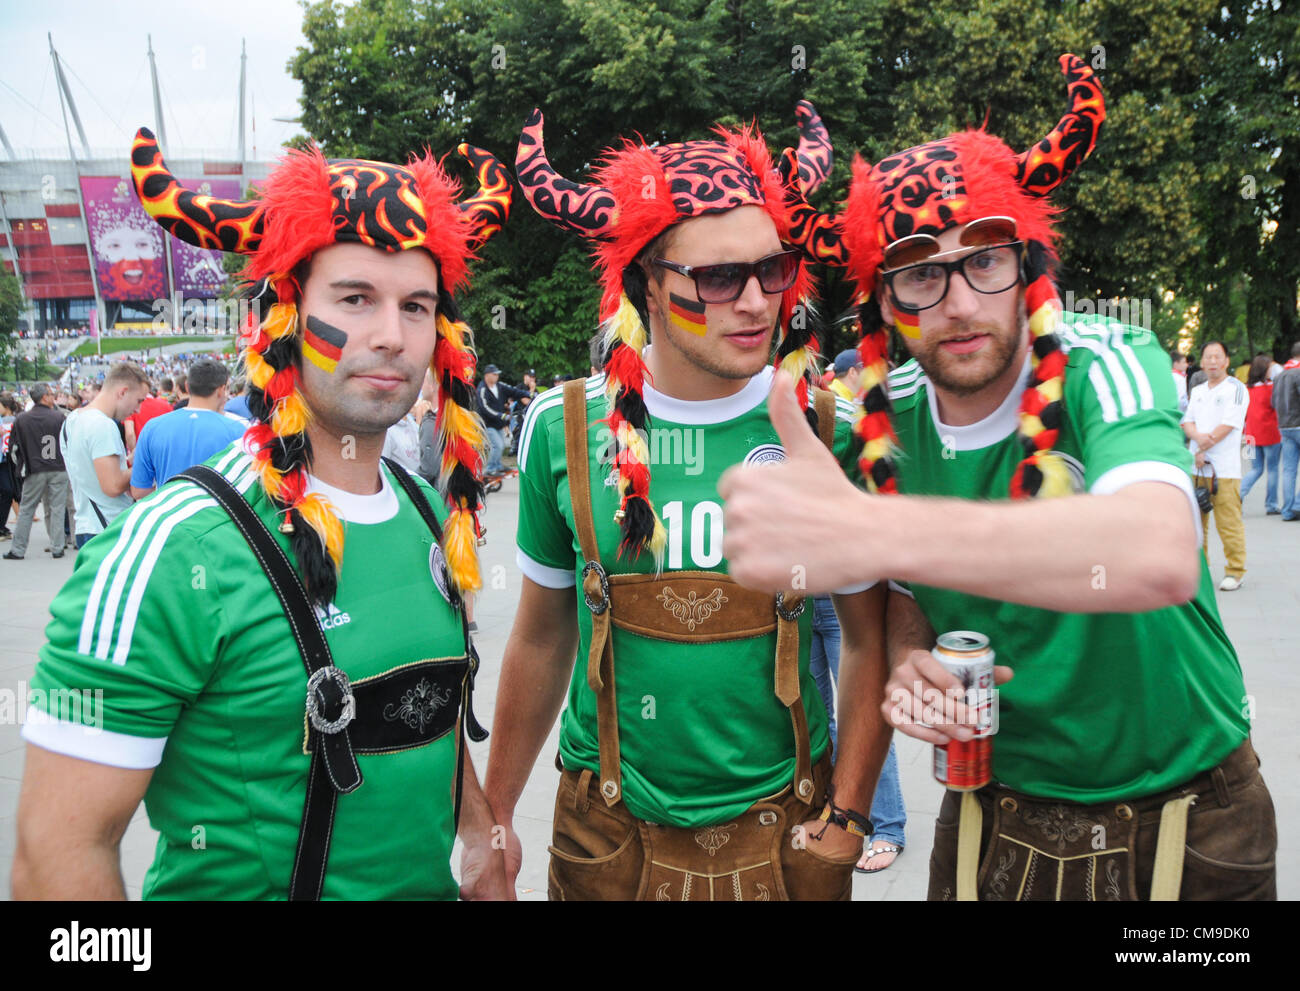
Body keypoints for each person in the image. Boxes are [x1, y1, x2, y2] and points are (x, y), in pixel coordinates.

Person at [721, 54, 1275, 900]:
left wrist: (872, 530)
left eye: (985, 258)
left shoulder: (1105, 362)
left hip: (1191, 817)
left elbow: (1158, 553)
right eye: (920, 271)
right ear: (885, 300)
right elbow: (904, 597)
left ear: (1027, 264)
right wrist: (911, 661)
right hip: (992, 812)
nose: (960, 301)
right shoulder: (884, 417)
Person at [13, 127, 514, 900]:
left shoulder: (427, 510)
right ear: (284, 313)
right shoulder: (172, 548)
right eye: (354, 298)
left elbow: (425, 709)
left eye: (416, 305)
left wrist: (481, 838)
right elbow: (56, 858)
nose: (391, 335)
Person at [483, 102, 890, 902]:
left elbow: (870, 641)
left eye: (772, 270)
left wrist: (849, 818)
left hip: (787, 834)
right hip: (607, 839)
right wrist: (495, 817)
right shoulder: (563, 428)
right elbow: (539, 636)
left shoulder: (826, 423)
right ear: (645, 284)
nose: (755, 301)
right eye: (716, 278)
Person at [60, 361, 149, 550]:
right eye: (139, 400)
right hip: (107, 527)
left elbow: (88, 471)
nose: (138, 409)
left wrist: (126, 463)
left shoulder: (73, 420)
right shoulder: (102, 425)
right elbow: (112, 485)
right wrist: (144, 461)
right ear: (122, 392)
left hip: (87, 523)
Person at [1183, 340, 1250, 590]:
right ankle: (1200, 571)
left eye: (1217, 356)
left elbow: (1229, 425)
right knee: (1196, 524)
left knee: (1228, 522)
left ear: (1226, 361)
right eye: (1208, 357)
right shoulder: (1199, 391)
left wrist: (1201, 446)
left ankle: (1235, 571)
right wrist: (1198, 443)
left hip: (1224, 470)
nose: (1212, 361)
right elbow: (1187, 422)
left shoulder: (1236, 388)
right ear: (1201, 362)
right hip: (1197, 467)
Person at [128, 358, 246, 499]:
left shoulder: (152, 427)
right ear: (221, 390)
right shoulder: (238, 430)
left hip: (169, 515)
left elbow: (139, 491)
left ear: (187, 387)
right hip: (217, 516)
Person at [3, 383, 69, 561]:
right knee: (57, 508)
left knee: (26, 509)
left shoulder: (22, 419)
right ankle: (57, 546)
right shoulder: (59, 417)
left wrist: (21, 466)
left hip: (34, 468)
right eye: (50, 393)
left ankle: (18, 549)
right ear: (44, 397)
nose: (53, 396)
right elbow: (67, 443)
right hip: (58, 467)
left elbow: (14, 448)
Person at [1240, 354, 1282, 514]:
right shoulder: (1271, 388)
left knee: (1255, 469)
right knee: (1272, 469)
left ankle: (1239, 493)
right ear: (1264, 370)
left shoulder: (1245, 389)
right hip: (1270, 433)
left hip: (1249, 435)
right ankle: (1271, 505)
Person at [476, 364, 530, 475]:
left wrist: (528, 394)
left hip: (498, 424)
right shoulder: (482, 389)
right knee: (497, 445)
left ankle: (497, 466)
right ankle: (490, 469)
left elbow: (513, 391)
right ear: (487, 376)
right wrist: (501, 415)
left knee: (501, 445)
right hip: (487, 424)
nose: (497, 376)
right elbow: (484, 408)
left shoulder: (499, 386)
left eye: (497, 374)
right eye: (494, 374)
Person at [1274, 341, 1300, 520]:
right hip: (1299, 423)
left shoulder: (1280, 374)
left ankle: (1287, 510)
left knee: (1289, 470)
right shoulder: (1298, 373)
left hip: (1284, 426)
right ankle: (1298, 504)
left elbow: (1272, 402)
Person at [0, 391, 21, 540]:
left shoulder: (10, 420)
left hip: (4, 460)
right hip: (4, 459)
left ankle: (1, 526)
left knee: (8, 491)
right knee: (7, 490)